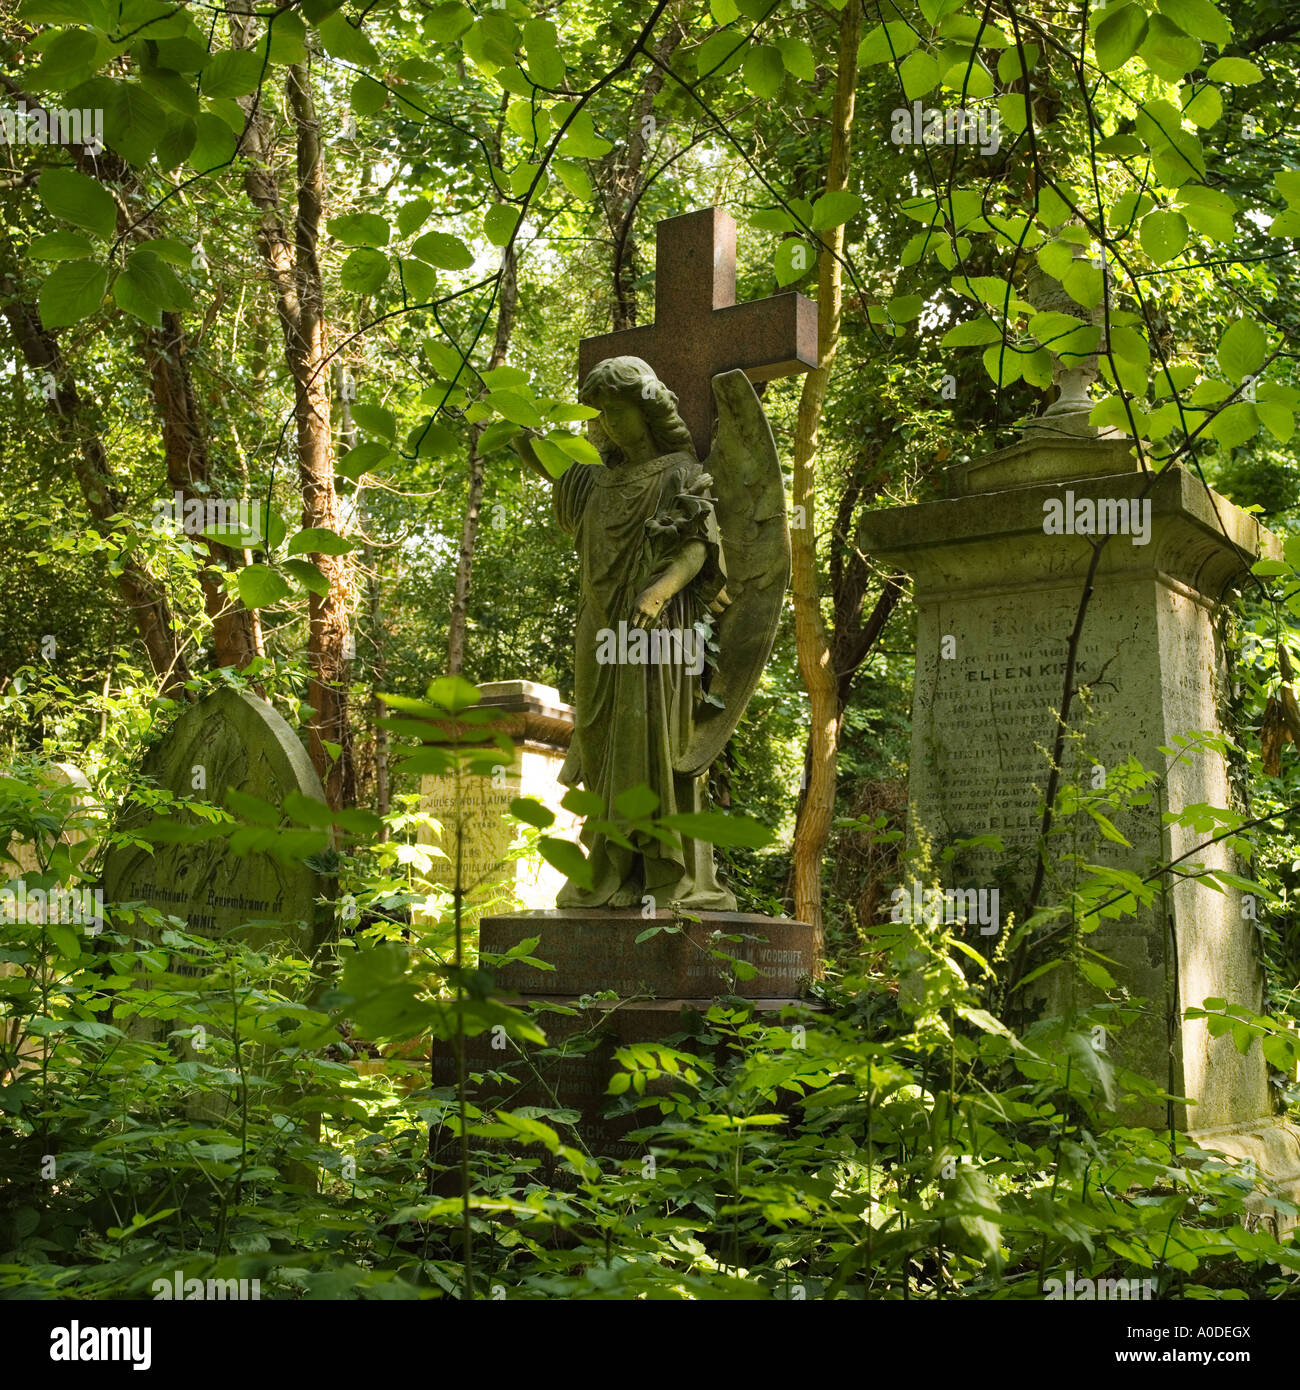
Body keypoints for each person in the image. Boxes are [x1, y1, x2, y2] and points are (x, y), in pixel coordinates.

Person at [513, 355, 737, 910]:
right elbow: (543, 460)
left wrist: (659, 590)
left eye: (617, 411)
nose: (608, 424)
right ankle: (609, 863)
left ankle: (665, 874)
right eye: (600, 415)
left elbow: (699, 547)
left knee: (650, 737)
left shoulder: (681, 471)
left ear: (647, 409)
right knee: (600, 736)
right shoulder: (593, 478)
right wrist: (507, 415)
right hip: (599, 627)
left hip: (657, 629)